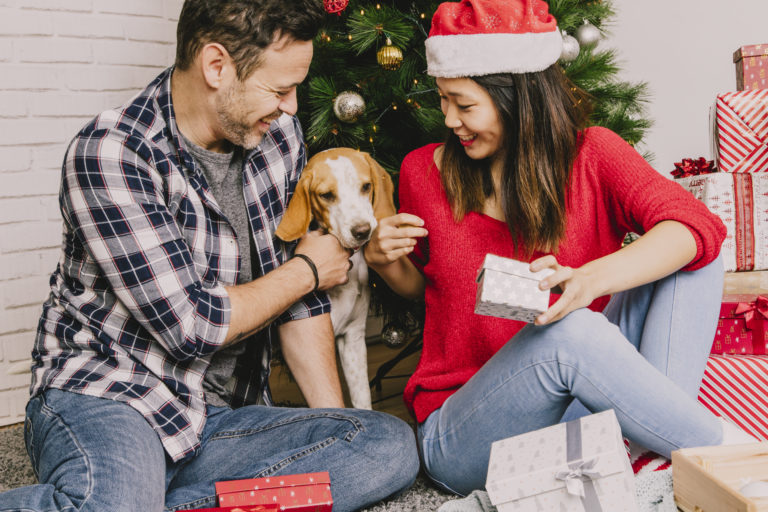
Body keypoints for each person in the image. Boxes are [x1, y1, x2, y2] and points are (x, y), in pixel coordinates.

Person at [0, 1, 419, 511]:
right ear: (217, 66)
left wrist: (332, 430)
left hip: (221, 414)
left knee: (385, 446)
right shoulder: (113, 153)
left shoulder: (278, 138)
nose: (291, 107)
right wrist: (308, 269)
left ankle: (156, 500)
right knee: (114, 502)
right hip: (112, 395)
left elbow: (299, 308)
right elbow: (192, 326)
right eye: (280, 88)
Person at [363, 0, 755, 497]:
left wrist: (589, 279)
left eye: (464, 105)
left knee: (696, 258)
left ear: (518, 98)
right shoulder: (424, 170)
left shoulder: (593, 152)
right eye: (443, 101)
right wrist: (384, 260)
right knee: (572, 334)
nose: (450, 119)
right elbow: (427, 287)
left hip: (573, 411)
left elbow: (697, 227)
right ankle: (729, 454)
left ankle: (652, 451)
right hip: (464, 432)